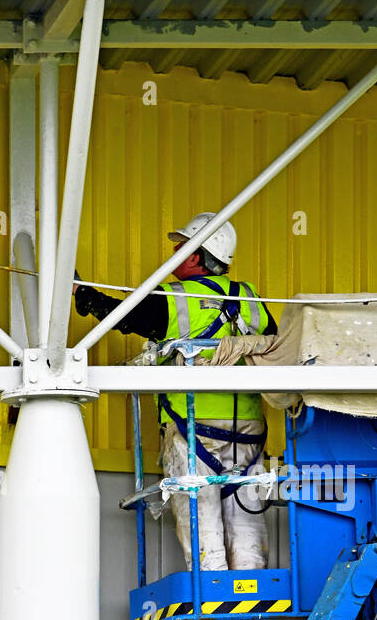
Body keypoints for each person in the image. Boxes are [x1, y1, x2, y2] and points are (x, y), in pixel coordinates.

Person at [73, 214, 277, 572]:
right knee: (246, 521)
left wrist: (82, 294)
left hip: (193, 428)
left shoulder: (175, 298)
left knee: (201, 520)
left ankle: (212, 593)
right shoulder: (250, 298)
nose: (173, 254)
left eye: (180, 247)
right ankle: (251, 591)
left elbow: (124, 316)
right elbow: (273, 344)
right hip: (248, 429)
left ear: (197, 256)